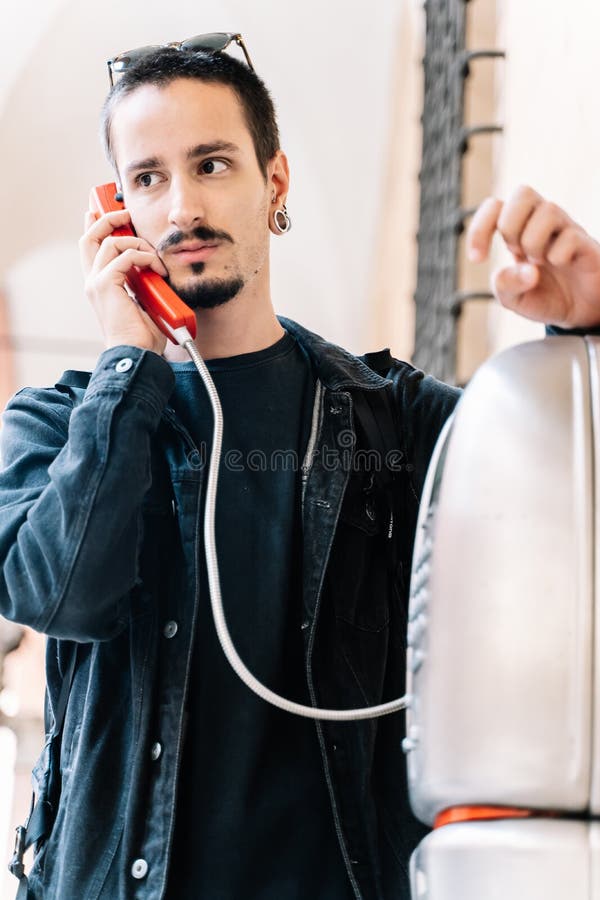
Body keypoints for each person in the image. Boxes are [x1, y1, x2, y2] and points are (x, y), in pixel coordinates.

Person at [2, 36, 600, 900]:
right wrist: (126, 368)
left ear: (273, 182)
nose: (181, 208)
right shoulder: (57, 423)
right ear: (114, 211)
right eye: (147, 178)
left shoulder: (390, 415)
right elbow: (62, 595)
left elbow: (566, 499)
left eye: (211, 164)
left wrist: (582, 336)